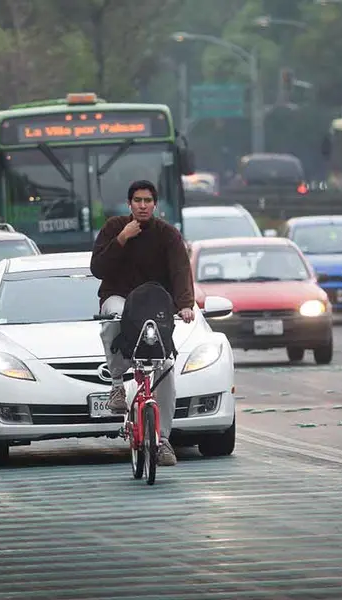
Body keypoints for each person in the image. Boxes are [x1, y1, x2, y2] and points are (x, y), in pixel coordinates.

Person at [90, 180, 195, 466]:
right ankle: (116, 386)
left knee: (167, 366)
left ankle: (162, 440)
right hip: (119, 299)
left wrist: (185, 304)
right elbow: (97, 268)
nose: (143, 205)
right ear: (129, 204)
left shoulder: (168, 235)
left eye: (148, 200)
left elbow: (180, 270)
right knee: (111, 317)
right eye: (137, 200)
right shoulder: (115, 228)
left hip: (156, 305)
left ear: (155, 204)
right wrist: (122, 238)